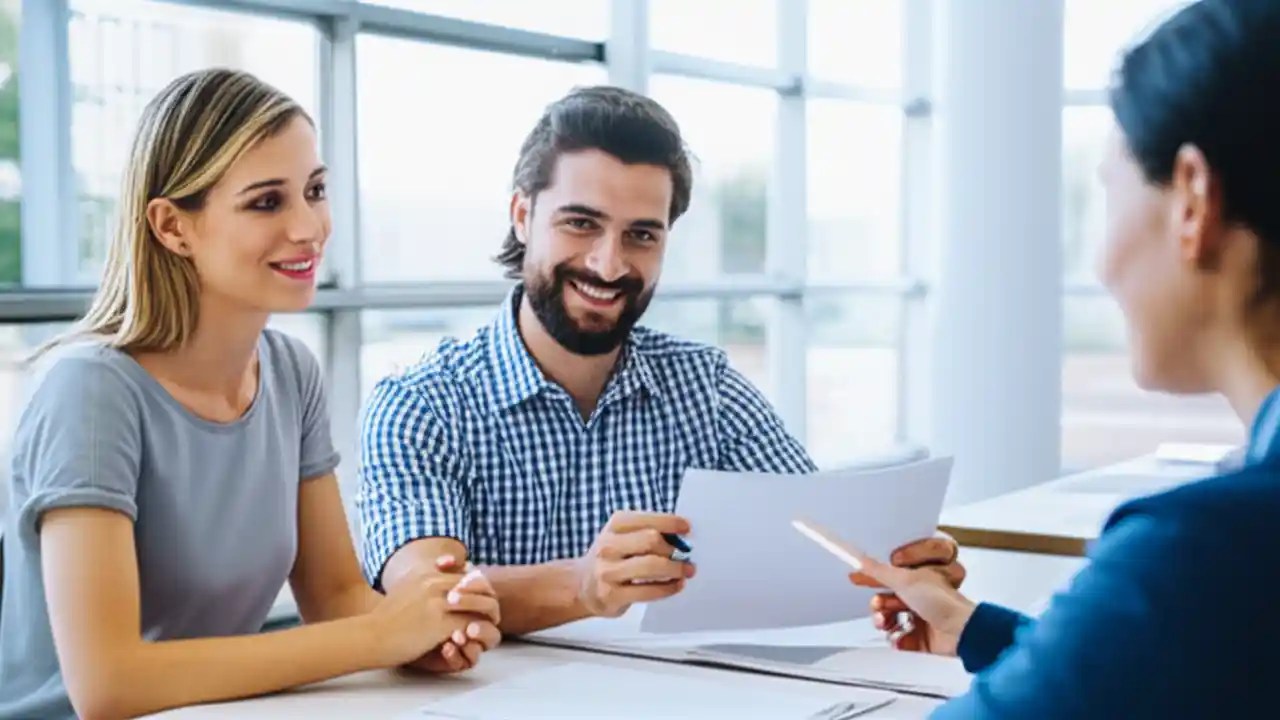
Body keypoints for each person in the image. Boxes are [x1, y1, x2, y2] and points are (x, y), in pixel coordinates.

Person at [358, 85, 965, 637]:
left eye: (641, 235)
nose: (609, 264)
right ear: (522, 215)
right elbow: (423, 597)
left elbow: (818, 543)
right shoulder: (421, 405)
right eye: (580, 223)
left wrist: (896, 570)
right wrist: (583, 585)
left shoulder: (708, 389)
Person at [0, 69, 500, 720]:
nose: (309, 227)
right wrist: (378, 635)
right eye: (267, 202)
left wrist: (425, 631)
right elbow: (107, 682)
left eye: (314, 191)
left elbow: (336, 595)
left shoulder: (290, 372)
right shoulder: (91, 391)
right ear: (172, 227)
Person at [850, 0, 1280, 716]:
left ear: (1192, 201)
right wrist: (977, 630)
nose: (1102, 264)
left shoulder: (1206, 548)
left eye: (1108, 195)